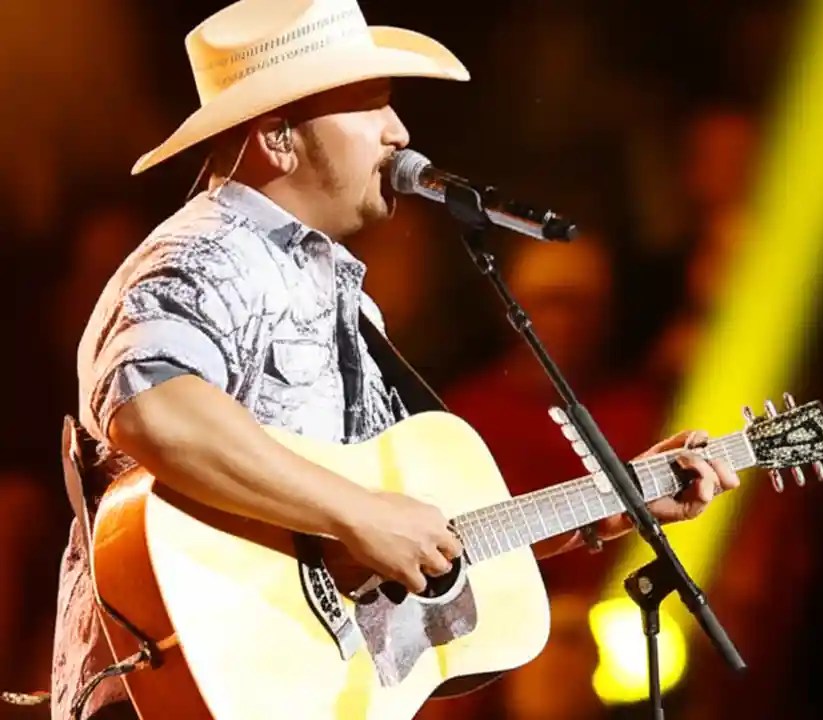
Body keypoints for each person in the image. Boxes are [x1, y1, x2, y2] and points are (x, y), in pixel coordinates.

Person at [49, 2, 740, 719]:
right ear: (280, 138)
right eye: (366, 103)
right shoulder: (205, 255)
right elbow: (150, 408)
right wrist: (357, 513)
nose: (399, 131)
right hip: (170, 687)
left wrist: (614, 506)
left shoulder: (343, 296)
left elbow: (416, 541)